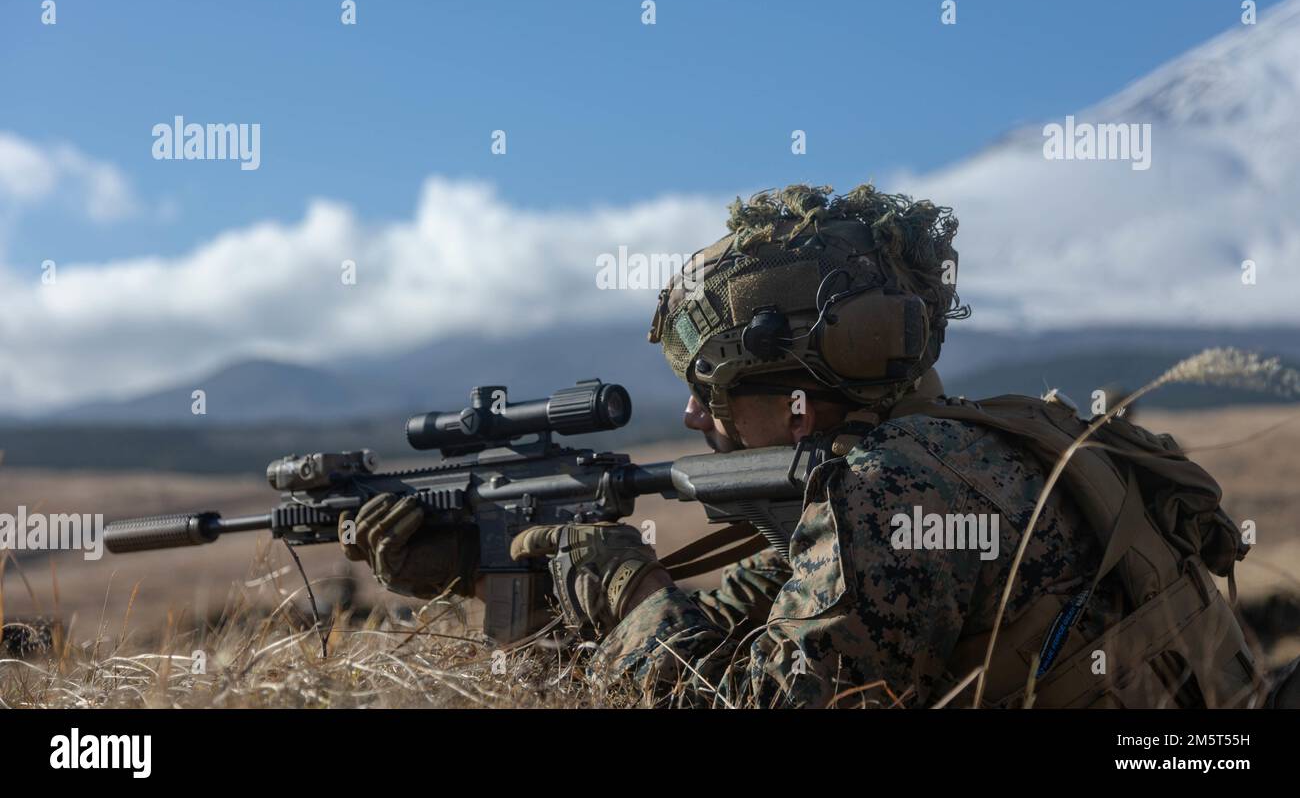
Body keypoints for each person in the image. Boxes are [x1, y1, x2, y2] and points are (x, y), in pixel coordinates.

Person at [344, 184, 1270, 708]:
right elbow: (736, 633)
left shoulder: (892, 493)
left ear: (798, 400)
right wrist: (501, 572)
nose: (700, 422)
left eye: (712, 394)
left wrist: (623, 583)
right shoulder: (1014, 436)